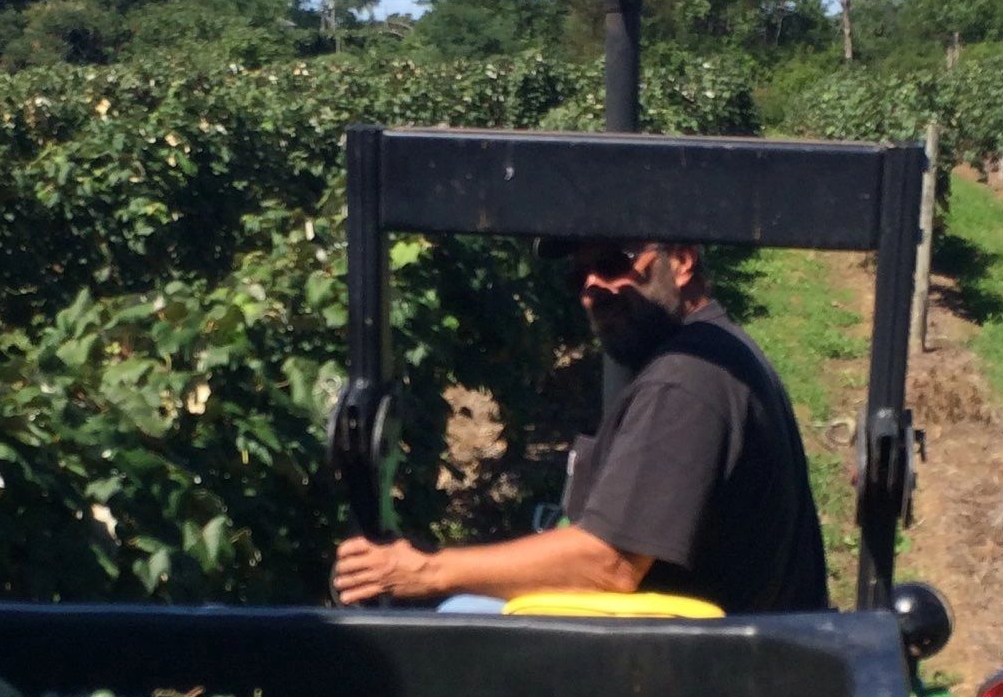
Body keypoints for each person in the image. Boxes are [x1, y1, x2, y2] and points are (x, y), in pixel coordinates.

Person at [331, 238, 829, 614]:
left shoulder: (684, 381)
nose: (592, 288)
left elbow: (608, 565)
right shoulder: (717, 349)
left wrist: (430, 570)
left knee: (459, 617)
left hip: (695, 679)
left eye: (612, 264)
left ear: (680, 261)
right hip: (712, 649)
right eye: (578, 276)